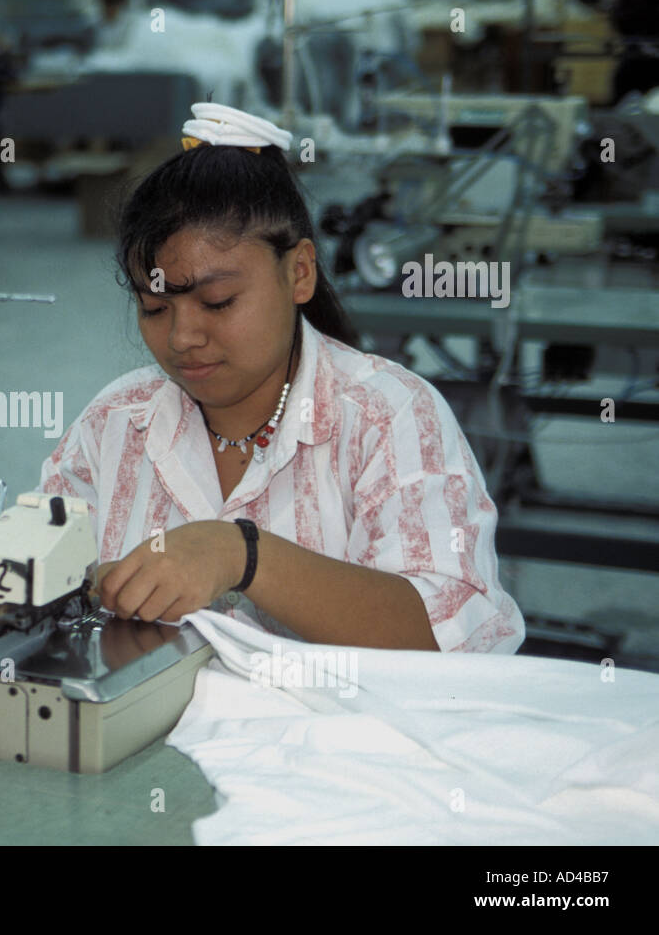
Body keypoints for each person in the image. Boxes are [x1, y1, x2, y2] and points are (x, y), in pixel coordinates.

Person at [40, 104, 525, 654]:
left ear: (299, 273)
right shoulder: (114, 423)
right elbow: (34, 579)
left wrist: (243, 555)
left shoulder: (388, 418)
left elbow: (457, 634)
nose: (181, 338)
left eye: (218, 302)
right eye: (154, 307)